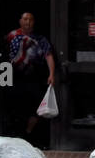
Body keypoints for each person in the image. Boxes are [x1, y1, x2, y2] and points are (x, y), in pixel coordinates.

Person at [3, 11, 56, 146]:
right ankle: (15, 136)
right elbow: (3, 56)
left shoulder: (40, 39)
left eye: (30, 19)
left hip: (34, 78)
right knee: (15, 107)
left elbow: (48, 55)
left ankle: (28, 134)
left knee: (35, 109)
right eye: (25, 19)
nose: (28, 22)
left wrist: (51, 74)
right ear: (20, 21)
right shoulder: (11, 36)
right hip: (14, 77)